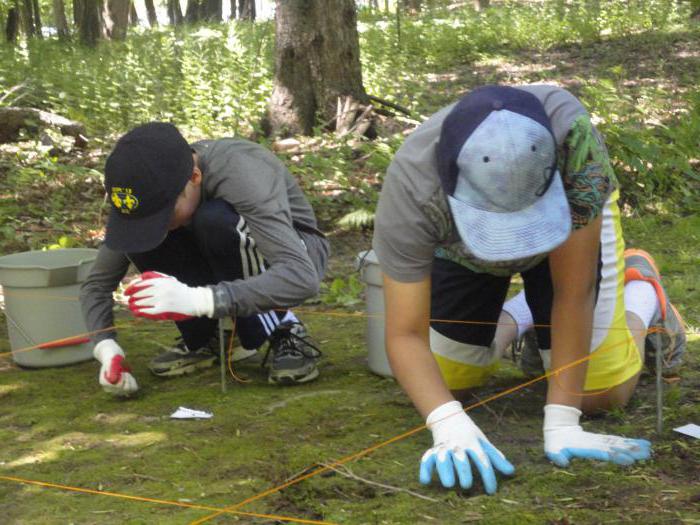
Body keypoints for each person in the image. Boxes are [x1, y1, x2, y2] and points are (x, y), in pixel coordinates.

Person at [372, 85, 686, 494]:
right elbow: (404, 333)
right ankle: (525, 316)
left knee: (597, 396)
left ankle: (642, 293)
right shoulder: (413, 191)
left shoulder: (574, 146)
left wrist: (563, 420)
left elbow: (574, 291)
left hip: (564, 242)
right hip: (463, 252)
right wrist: (446, 422)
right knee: (444, 386)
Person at [80, 122, 329, 396]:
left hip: (290, 253)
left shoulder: (242, 173)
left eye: (163, 215)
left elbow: (302, 277)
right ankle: (212, 338)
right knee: (140, 240)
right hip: (217, 257)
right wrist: (106, 348)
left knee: (214, 220)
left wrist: (202, 300)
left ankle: (282, 325)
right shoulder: (147, 191)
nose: (158, 225)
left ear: (195, 177)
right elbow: (97, 285)